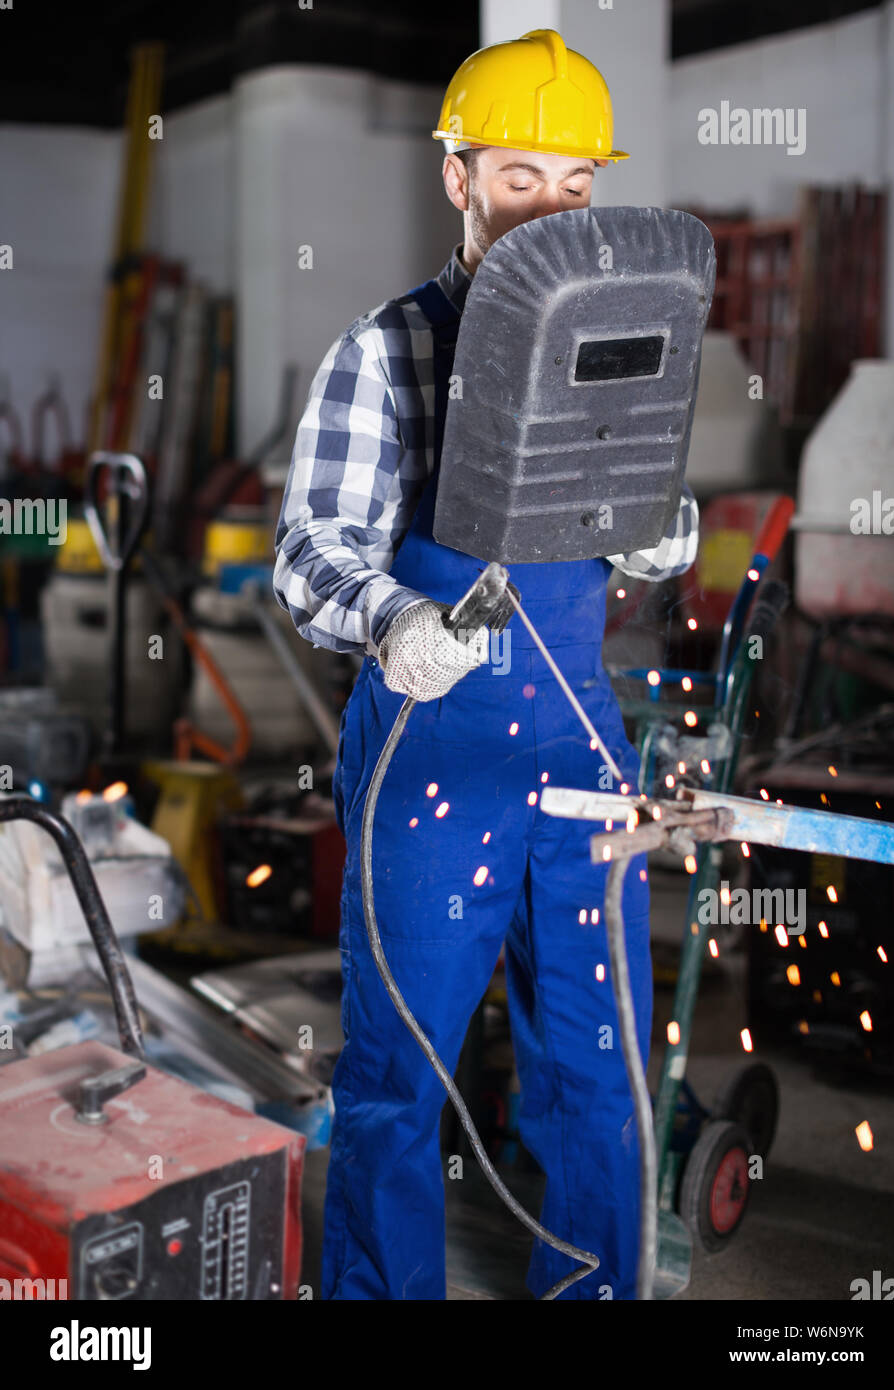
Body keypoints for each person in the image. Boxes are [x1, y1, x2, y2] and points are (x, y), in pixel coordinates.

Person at [273, 28, 698, 1300]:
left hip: (578, 748)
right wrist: (395, 622)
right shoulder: (384, 351)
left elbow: (660, 532)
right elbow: (308, 551)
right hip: (430, 750)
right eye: (522, 176)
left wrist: (657, 519)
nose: (552, 209)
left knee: (595, 1069)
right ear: (457, 176)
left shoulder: (611, 336)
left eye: (576, 184)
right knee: (398, 1080)